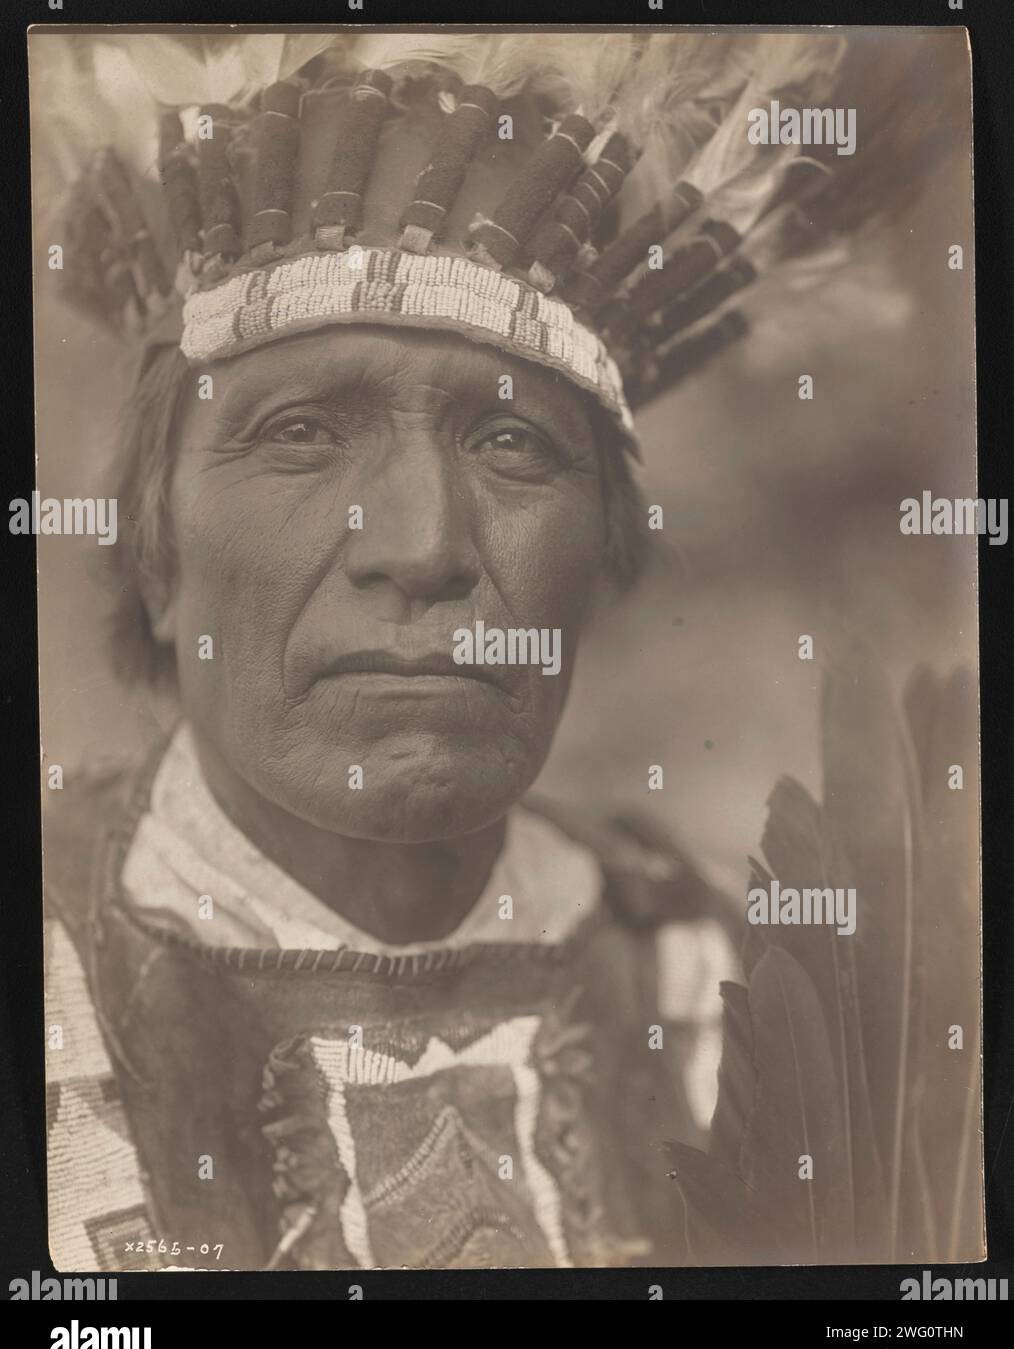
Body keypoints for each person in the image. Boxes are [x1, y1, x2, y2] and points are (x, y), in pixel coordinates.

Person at [41, 29, 899, 1271]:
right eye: (299, 432)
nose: (423, 544)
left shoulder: (713, 978)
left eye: (513, 447)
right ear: (157, 559)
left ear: (601, 563)